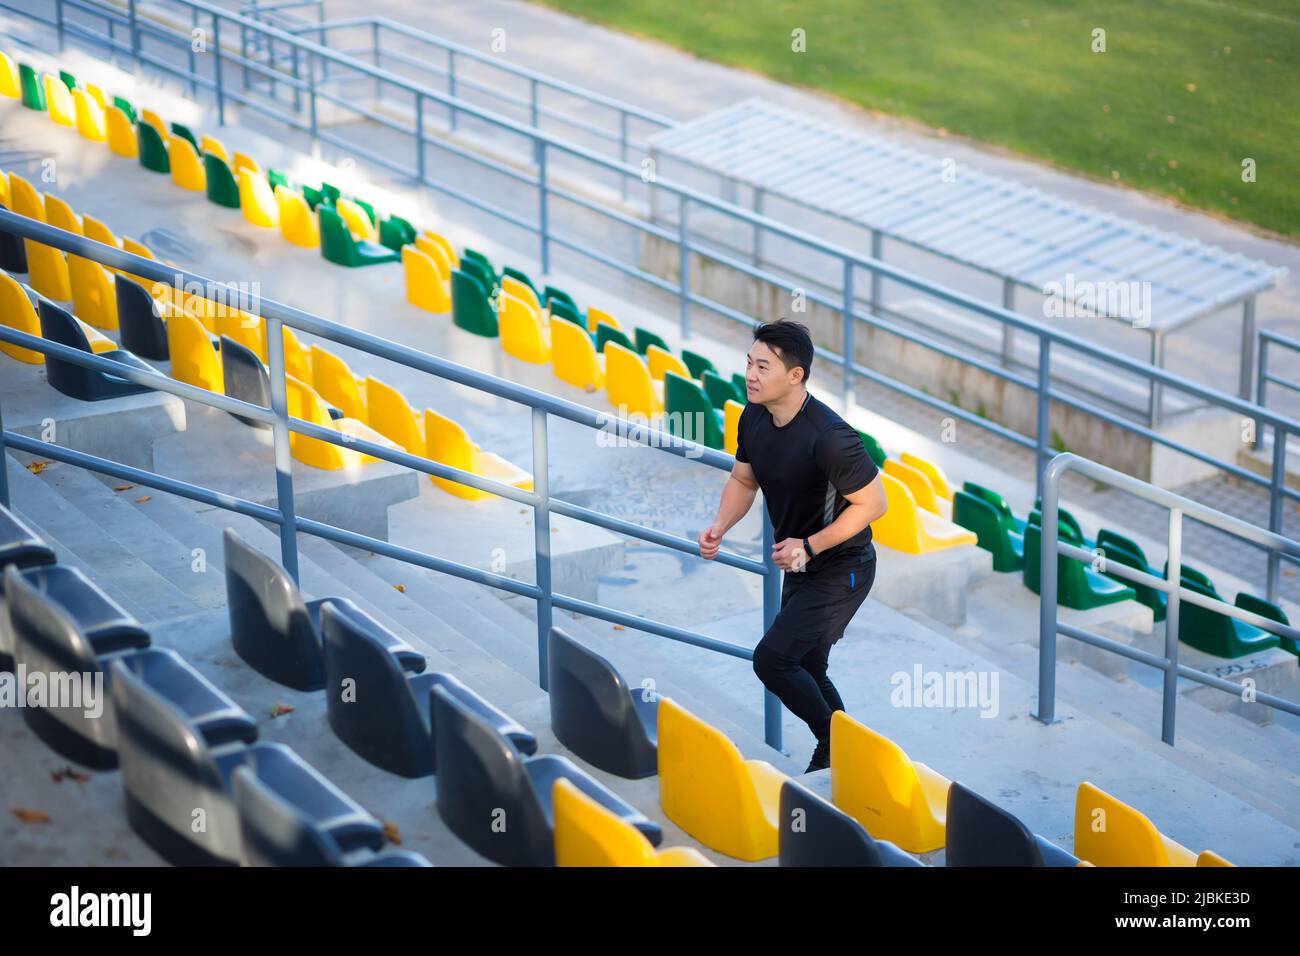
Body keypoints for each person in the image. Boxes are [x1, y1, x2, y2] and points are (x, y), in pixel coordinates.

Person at [699, 319, 887, 772]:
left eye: (763, 366)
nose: (750, 374)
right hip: (799, 563)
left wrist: (810, 544)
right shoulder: (754, 416)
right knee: (808, 665)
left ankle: (835, 747)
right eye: (749, 362)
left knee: (773, 660)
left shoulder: (829, 436)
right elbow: (744, 480)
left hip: (843, 567)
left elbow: (874, 504)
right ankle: (843, 748)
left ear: (796, 375)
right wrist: (720, 525)